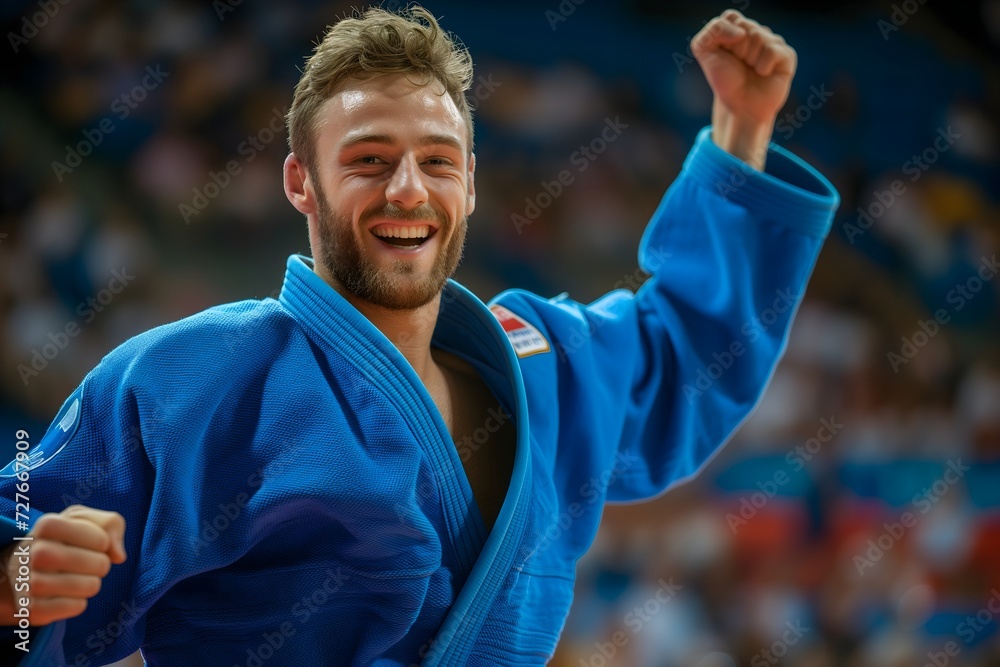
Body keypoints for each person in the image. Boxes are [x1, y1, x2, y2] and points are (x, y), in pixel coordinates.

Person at [0, 5, 839, 665]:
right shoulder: (196, 374)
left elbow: (682, 351)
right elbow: (24, 531)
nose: (408, 189)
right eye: (368, 159)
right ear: (302, 181)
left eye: (438, 161)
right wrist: (13, 582)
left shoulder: (540, 363)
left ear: (471, 183)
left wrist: (741, 132)